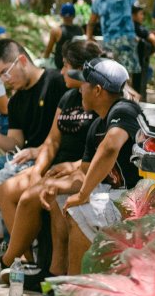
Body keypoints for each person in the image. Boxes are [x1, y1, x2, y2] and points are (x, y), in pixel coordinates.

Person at [0, 38, 103, 296]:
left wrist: (71, 168)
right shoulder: (68, 97)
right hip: (56, 165)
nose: (62, 72)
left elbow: (102, 150)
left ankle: (17, 266)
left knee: (42, 199)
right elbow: (52, 141)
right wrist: (38, 172)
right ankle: (24, 264)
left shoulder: (98, 97)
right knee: (13, 190)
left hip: (79, 170)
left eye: (66, 67)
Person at [0, 37, 65, 271]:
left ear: (21, 60)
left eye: (4, 73)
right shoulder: (16, 99)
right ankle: (17, 238)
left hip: (49, 157)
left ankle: (18, 252)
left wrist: (36, 152)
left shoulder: (56, 82)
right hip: (24, 156)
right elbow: (15, 142)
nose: (3, 81)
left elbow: (60, 138)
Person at [50, 58, 145, 279]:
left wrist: (82, 195)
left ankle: (75, 291)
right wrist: (55, 186)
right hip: (111, 194)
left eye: (84, 84)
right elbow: (84, 171)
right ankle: (55, 278)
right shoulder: (96, 125)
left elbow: (111, 147)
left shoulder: (125, 109)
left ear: (98, 90)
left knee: (80, 210)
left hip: (134, 196)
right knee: (60, 201)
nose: (80, 89)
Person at [88, 0, 138, 80]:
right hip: (127, 39)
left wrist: (89, 36)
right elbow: (136, 12)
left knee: (110, 75)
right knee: (127, 74)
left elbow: (92, 20)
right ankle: (128, 96)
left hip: (109, 40)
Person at [43, 4, 84, 68]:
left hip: (60, 65)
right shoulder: (80, 30)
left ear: (61, 15)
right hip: (76, 65)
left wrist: (44, 60)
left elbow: (49, 49)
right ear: (74, 15)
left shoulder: (56, 30)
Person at [131, 4, 155, 95]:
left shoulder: (129, 28)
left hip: (137, 60)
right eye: (140, 14)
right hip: (141, 60)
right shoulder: (138, 28)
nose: (143, 17)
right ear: (133, 15)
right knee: (140, 85)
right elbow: (153, 39)